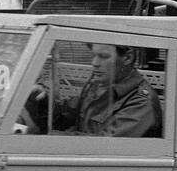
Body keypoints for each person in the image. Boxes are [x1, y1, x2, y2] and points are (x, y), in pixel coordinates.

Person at [27, 44, 162, 137]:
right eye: (94, 55)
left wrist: (48, 137)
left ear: (127, 57)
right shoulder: (99, 87)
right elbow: (67, 115)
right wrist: (42, 101)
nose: (94, 63)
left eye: (103, 56)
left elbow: (102, 146)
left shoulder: (141, 102)